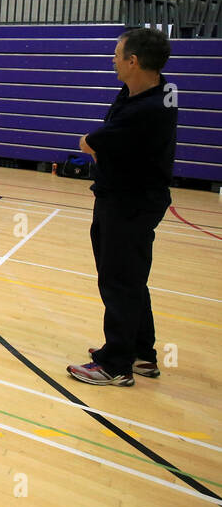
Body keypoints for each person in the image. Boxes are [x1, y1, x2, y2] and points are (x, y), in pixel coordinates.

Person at [66, 28, 177, 387]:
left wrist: (96, 144)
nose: (113, 61)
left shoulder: (149, 109)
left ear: (133, 61)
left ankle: (115, 364)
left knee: (118, 280)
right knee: (132, 278)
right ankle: (142, 352)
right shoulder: (152, 91)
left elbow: (92, 141)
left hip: (129, 203)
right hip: (127, 197)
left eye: (117, 55)